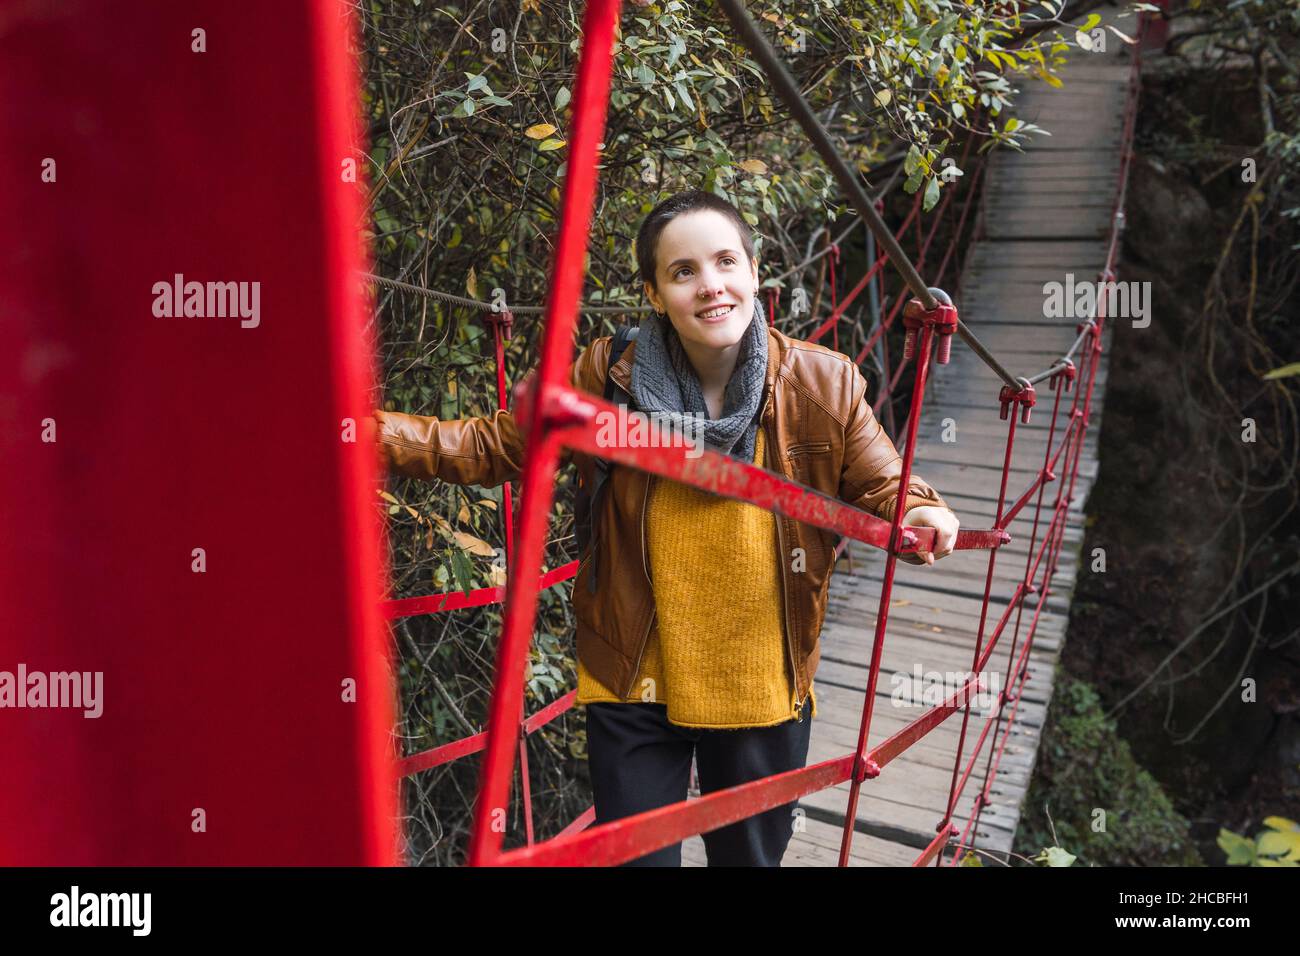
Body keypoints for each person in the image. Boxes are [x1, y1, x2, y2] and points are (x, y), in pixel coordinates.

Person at [371, 189, 959, 866]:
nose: (711, 286)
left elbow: (887, 483)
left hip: (758, 684)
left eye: (725, 262)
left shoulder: (823, 383)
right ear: (654, 293)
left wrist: (920, 511)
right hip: (634, 674)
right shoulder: (606, 373)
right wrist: (361, 430)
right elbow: (490, 447)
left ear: (754, 271)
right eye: (683, 272)